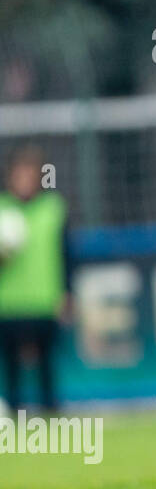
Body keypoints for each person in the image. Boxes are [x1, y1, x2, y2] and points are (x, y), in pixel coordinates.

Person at [0, 144, 72, 415]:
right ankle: (13, 415)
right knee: (11, 368)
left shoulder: (53, 209)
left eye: (30, 175)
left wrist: (66, 292)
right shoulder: (3, 209)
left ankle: (51, 416)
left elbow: (66, 254)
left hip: (44, 300)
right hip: (8, 302)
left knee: (46, 365)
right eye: (19, 175)